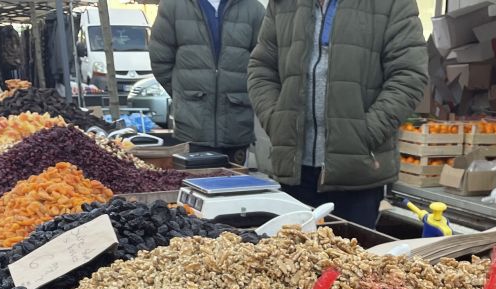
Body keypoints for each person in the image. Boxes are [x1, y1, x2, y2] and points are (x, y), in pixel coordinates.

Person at [247, 0, 427, 229]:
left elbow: (409, 75)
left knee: (350, 263)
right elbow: (261, 69)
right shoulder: (284, 4)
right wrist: (277, 122)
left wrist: (364, 136)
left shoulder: (390, 4)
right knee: (291, 262)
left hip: (357, 176)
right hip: (294, 174)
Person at [149, 0, 265, 158]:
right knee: (194, 181)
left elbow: (262, 64)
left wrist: (246, 97)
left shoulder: (253, 9)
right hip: (192, 128)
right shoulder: (173, 6)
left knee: (235, 180)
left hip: (236, 125)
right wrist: (183, 95)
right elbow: (160, 60)